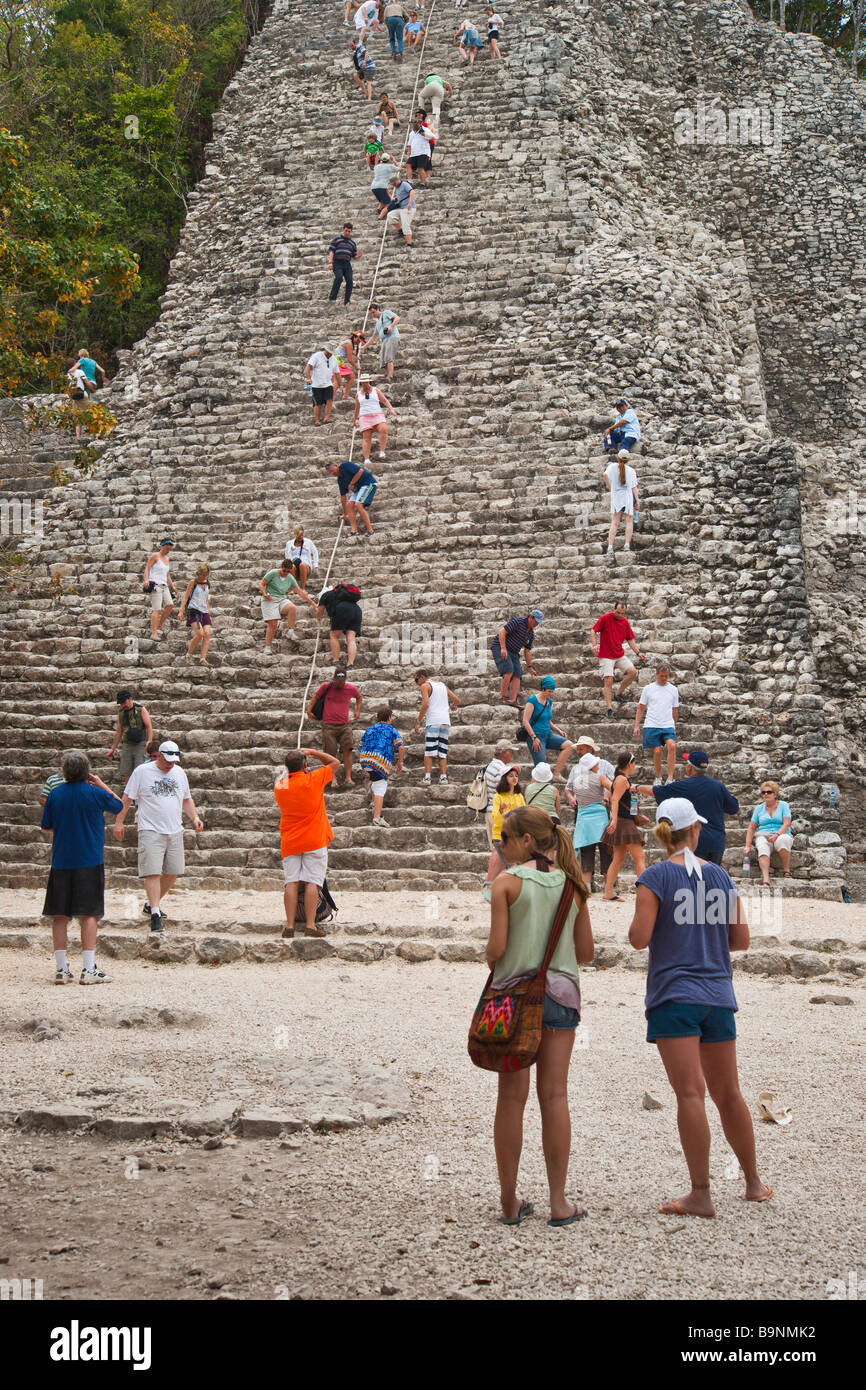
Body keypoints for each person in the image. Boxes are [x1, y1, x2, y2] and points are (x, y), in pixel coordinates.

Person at [629, 800, 773, 1217]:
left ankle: (701, 1193)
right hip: (717, 995)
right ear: (694, 832)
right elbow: (740, 940)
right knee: (729, 1094)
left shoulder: (654, 877)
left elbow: (640, 939)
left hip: (674, 994)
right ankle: (752, 1182)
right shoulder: (721, 877)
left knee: (690, 1093)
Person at [484, 805, 594, 1225]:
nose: (503, 845)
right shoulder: (573, 885)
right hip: (562, 995)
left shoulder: (506, 884)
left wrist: (494, 955)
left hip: (513, 998)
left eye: (506, 838)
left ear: (525, 841)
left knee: (511, 1098)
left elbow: (496, 950)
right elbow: (585, 953)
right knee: (556, 1096)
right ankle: (559, 1201)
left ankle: (510, 1202)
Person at [41, 750, 123, 985]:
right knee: (89, 914)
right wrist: (101, 783)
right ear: (87, 771)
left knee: (59, 915)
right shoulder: (95, 792)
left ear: (64, 771)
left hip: (61, 861)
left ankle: (61, 969)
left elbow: (46, 827)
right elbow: (118, 805)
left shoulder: (55, 794)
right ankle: (88, 969)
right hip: (89, 860)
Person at [113, 741, 204, 934]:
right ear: (159, 755)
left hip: (174, 829)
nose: (171, 764)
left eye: (174, 760)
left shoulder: (179, 773)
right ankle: (155, 913)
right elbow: (127, 798)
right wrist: (119, 822)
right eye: (167, 760)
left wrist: (194, 817)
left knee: (173, 871)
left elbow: (186, 798)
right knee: (152, 871)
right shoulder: (142, 772)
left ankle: (150, 903)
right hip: (150, 828)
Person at [274, 748, 341, 938]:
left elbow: (284, 780)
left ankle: (289, 926)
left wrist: (295, 768)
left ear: (286, 768)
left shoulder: (280, 786)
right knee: (313, 882)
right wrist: (313, 752)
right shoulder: (313, 779)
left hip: (290, 840)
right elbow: (335, 763)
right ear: (304, 766)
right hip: (314, 839)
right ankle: (310, 926)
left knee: (291, 882)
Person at [653, 751, 739, 867]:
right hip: (717, 841)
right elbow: (733, 808)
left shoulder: (684, 786)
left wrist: (637, 787)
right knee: (712, 878)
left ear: (689, 768)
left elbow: (656, 791)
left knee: (695, 879)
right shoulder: (718, 786)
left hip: (696, 840)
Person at [601, 752, 655, 902]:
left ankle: (608, 892)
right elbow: (615, 800)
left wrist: (638, 816)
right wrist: (614, 819)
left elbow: (625, 802)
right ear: (630, 764)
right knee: (640, 857)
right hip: (623, 823)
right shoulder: (621, 779)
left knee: (618, 858)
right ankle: (645, 892)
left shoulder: (622, 779)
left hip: (625, 821)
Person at [590, 598, 645, 719]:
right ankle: (609, 709)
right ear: (614, 609)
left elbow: (630, 639)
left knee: (633, 672)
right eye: (618, 612)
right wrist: (594, 645)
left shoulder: (625, 622)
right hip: (606, 655)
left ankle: (618, 693)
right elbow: (593, 631)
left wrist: (638, 652)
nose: (620, 615)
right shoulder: (606, 618)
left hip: (618, 654)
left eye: (622, 613)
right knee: (608, 679)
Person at [567, 751, 614, 891]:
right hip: (600, 817)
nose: (598, 765)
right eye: (596, 763)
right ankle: (609, 886)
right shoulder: (600, 778)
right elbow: (614, 787)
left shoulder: (577, 781)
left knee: (586, 851)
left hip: (583, 818)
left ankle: (586, 885)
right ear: (592, 766)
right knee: (606, 851)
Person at [307, 667, 362, 787]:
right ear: (334, 678)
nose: (340, 683)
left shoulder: (350, 688)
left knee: (348, 750)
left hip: (345, 725)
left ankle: (348, 777)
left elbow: (359, 697)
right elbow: (316, 697)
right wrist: (309, 710)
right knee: (330, 753)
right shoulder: (326, 686)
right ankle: (333, 778)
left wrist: (357, 711)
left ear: (345, 680)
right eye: (338, 680)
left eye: (342, 681)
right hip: (328, 726)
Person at [634, 664, 679, 785]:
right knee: (657, 751)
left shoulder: (673, 689)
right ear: (657, 674)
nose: (664, 678)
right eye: (662, 676)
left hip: (667, 724)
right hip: (652, 723)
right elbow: (641, 707)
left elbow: (675, 710)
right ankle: (658, 777)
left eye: (666, 676)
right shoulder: (648, 689)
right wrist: (636, 725)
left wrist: (674, 725)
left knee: (672, 746)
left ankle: (670, 778)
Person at [412, 669, 459, 785]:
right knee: (442, 750)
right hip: (445, 721)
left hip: (433, 721)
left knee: (429, 750)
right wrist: (453, 706)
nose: (416, 683)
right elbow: (457, 700)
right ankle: (443, 777)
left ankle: (427, 778)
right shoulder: (442, 685)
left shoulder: (425, 686)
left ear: (422, 677)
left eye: (416, 680)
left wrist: (418, 721)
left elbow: (426, 704)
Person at [520, 675, 574, 778]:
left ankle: (556, 775)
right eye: (549, 691)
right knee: (541, 768)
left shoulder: (549, 701)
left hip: (547, 735)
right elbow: (525, 721)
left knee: (569, 745)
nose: (551, 693)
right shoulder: (532, 700)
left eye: (552, 691)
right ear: (543, 688)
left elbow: (547, 720)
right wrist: (534, 738)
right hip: (536, 737)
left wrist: (559, 730)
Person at [359, 706, 405, 826]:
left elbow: (360, 745)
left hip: (366, 758)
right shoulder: (391, 729)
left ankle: (373, 803)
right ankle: (377, 818)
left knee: (375, 779)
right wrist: (400, 762)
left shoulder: (370, 729)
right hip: (379, 760)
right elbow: (400, 747)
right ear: (389, 717)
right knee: (381, 786)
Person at [259, 559, 315, 657]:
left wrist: (313, 603)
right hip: (269, 599)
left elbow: (300, 592)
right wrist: (264, 594)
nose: (285, 573)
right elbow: (262, 584)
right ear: (281, 568)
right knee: (273, 624)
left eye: (288, 571)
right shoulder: (273, 573)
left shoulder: (290, 578)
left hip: (281, 599)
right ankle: (267, 647)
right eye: (284, 570)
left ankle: (290, 631)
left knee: (292, 607)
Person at [744, 781, 793, 885]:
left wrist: (777, 835)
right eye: (763, 792)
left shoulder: (783, 805)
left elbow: (787, 823)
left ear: (775, 794)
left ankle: (786, 870)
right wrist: (747, 845)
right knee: (762, 844)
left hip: (780, 833)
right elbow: (752, 827)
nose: (765, 794)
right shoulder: (759, 808)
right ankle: (766, 878)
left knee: (783, 840)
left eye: (769, 792)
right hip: (764, 834)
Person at [491, 610, 544, 706]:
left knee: (517, 674)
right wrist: (503, 648)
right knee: (509, 670)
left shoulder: (530, 634)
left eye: (538, 623)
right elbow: (502, 632)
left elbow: (527, 651)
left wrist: (530, 667)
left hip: (514, 652)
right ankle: (502, 697)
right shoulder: (518, 621)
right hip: (500, 646)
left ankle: (512, 700)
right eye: (535, 622)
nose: (536, 624)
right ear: (530, 617)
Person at [485, 765, 524, 885]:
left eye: (516, 776)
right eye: (511, 776)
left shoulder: (519, 796)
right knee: (509, 865)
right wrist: (501, 811)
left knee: (515, 865)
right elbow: (496, 820)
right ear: (504, 778)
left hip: (516, 836)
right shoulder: (498, 797)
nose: (514, 778)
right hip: (500, 836)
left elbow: (524, 815)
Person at [107, 689, 153, 781]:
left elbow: (149, 726)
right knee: (126, 770)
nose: (123, 705)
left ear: (130, 699)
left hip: (140, 743)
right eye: (121, 703)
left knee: (140, 769)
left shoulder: (141, 709)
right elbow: (119, 731)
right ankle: (129, 792)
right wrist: (113, 748)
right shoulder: (121, 713)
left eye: (124, 702)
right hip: (127, 744)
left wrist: (149, 741)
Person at [326, 459, 378, 540]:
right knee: (349, 505)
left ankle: (370, 530)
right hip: (359, 489)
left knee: (358, 504)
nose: (333, 473)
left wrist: (351, 483)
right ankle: (354, 531)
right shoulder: (340, 480)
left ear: (336, 466)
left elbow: (360, 471)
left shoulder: (345, 465)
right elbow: (343, 497)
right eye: (331, 473)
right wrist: (344, 513)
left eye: (333, 470)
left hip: (368, 483)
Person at [316, 583, 363, 666]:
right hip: (356, 610)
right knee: (351, 639)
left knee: (334, 636)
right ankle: (350, 663)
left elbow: (319, 613)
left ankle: (335, 661)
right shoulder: (344, 594)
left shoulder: (325, 595)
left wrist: (318, 618)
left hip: (341, 610)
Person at [353, 376, 397, 461]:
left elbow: (384, 400)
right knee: (366, 438)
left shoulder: (375, 390)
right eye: (363, 382)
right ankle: (366, 459)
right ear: (361, 383)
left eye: (366, 382)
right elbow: (357, 408)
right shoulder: (358, 394)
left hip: (377, 414)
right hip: (364, 416)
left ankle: (382, 451)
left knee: (383, 429)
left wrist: (391, 409)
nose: (365, 384)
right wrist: (354, 420)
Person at [604, 450, 639, 554]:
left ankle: (610, 547)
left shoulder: (612, 467)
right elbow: (634, 487)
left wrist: (609, 486)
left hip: (616, 497)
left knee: (614, 522)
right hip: (627, 497)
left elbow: (605, 475)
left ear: (618, 458)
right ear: (628, 459)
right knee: (629, 521)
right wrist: (637, 500)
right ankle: (627, 545)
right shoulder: (631, 471)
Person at [482, 741, 516, 849]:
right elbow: (503, 791)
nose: (512, 755)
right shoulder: (501, 769)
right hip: (500, 814)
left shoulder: (490, 766)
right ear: (505, 753)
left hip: (489, 811)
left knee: (495, 852)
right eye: (511, 752)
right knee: (506, 851)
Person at [178, 563, 214, 664]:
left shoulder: (208, 583)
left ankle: (203, 659)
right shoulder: (193, 582)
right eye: (203, 575)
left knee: (207, 634)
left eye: (206, 574)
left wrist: (209, 614)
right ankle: (188, 656)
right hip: (194, 611)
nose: (205, 577)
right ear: (199, 574)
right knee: (200, 633)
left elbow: (206, 599)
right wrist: (181, 611)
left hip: (204, 611)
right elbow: (185, 597)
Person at [143, 538, 178, 641]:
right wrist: (146, 580)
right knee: (157, 609)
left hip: (164, 585)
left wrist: (173, 586)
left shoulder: (167, 559)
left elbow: (167, 574)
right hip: (155, 585)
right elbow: (147, 568)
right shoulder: (155, 556)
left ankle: (160, 624)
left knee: (170, 605)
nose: (168, 551)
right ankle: (154, 633)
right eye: (167, 548)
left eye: (169, 549)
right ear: (162, 546)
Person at [328, 223, 362, 304]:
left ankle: (347, 301)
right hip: (337, 262)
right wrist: (330, 262)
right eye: (346, 231)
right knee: (339, 278)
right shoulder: (337, 240)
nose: (347, 233)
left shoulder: (352, 243)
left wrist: (359, 256)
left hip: (347, 264)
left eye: (349, 231)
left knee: (350, 281)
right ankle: (332, 298)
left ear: (351, 232)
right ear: (343, 229)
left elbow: (354, 256)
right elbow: (332, 251)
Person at [305, 346, 339, 424]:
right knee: (317, 403)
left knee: (329, 400)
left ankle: (326, 418)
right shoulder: (316, 356)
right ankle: (317, 420)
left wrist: (340, 385)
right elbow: (308, 366)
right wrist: (308, 378)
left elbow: (337, 373)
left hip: (328, 383)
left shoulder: (334, 359)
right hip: (316, 384)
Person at [382, 173, 417, 245]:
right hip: (402, 207)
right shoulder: (397, 188)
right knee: (390, 216)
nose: (393, 185)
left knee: (405, 225)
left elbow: (412, 192)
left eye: (394, 183)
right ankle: (400, 231)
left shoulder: (404, 184)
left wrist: (409, 203)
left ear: (397, 180)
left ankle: (409, 243)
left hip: (408, 207)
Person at [369, 304, 401, 380]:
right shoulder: (378, 323)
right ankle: (387, 375)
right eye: (371, 313)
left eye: (373, 312)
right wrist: (364, 346)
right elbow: (373, 337)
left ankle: (390, 376)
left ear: (378, 309)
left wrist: (391, 326)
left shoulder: (386, 313)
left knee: (388, 357)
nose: (373, 315)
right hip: (384, 340)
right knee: (383, 359)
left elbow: (397, 318)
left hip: (392, 337)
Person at [330, 332, 366, 402]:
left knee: (350, 376)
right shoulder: (349, 344)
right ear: (355, 337)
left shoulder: (348, 342)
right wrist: (356, 367)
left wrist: (355, 355)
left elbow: (348, 351)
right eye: (358, 341)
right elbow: (350, 360)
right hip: (337, 361)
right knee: (337, 381)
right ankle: (330, 400)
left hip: (337, 360)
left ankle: (345, 395)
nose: (358, 343)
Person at [285, 527, 319, 591]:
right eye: (299, 535)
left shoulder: (308, 542)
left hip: (306, 566)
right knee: (291, 566)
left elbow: (315, 552)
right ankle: (294, 589)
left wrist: (316, 564)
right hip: (294, 565)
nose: (301, 537)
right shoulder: (289, 543)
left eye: (302, 535)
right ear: (295, 534)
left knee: (302, 565)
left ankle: (303, 588)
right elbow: (287, 555)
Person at [65, 359, 90, 440]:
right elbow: (86, 381)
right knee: (87, 414)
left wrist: (70, 398)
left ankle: (78, 437)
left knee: (77, 418)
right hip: (83, 395)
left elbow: (67, 389)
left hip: (74, 397)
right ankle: (90, 433)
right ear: (75, 364)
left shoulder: (67, 375)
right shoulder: (80, 372)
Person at [405, 114, 432, 187]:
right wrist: (409, 153)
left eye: (415, 125)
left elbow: (431, 137)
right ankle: (410, 181)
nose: (414, 127)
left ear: (419, 124)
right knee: (408, 165)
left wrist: (424, 134)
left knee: (421, 168)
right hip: (414, 153)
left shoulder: (425, 130)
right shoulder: (412, 133)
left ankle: (422, 183)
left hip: (423, 152)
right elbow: (409, 144)